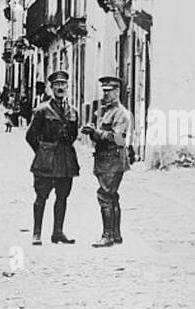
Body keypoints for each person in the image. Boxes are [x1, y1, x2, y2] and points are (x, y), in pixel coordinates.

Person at [25, 70, 79, 245]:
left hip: (65, 160)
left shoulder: (73, 111)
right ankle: (37, 233)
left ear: (67, 87)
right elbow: (31, 136)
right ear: (51, 87)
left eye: (63, 84)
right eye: (57, 85)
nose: (60, 87)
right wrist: (43, 152)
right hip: (46, 161)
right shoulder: (42, 110)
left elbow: (73, 135)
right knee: (41, 196)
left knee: (63, 196)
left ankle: (58, 232)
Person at [82, 75, 133, 247]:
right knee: (112, 196)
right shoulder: (106, 111)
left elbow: (119, 139)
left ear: (117, 91)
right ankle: (116, 235)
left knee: (104, 196)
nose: (106, 94)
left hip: (113, 159)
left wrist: (96, 133)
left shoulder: (121, 113)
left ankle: (107, 236)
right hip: (106, 159)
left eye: (109, 91)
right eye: (104, 91)